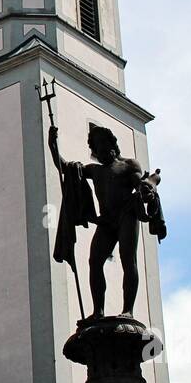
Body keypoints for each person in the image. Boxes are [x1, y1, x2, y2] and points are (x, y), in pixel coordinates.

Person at [48, 123, 145, 318]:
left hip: (127, 215)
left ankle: (128, 310)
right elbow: (65, 168)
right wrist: (52, 145)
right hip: (106, 222)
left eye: (100, 147)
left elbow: (140, 188)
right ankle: (98, 311)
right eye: (95, 149)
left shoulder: (129, 165)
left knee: (128, 259)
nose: (98, 152)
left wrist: (147, 192)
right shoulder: (95, 170)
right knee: (94, 261)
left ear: (112, 146)